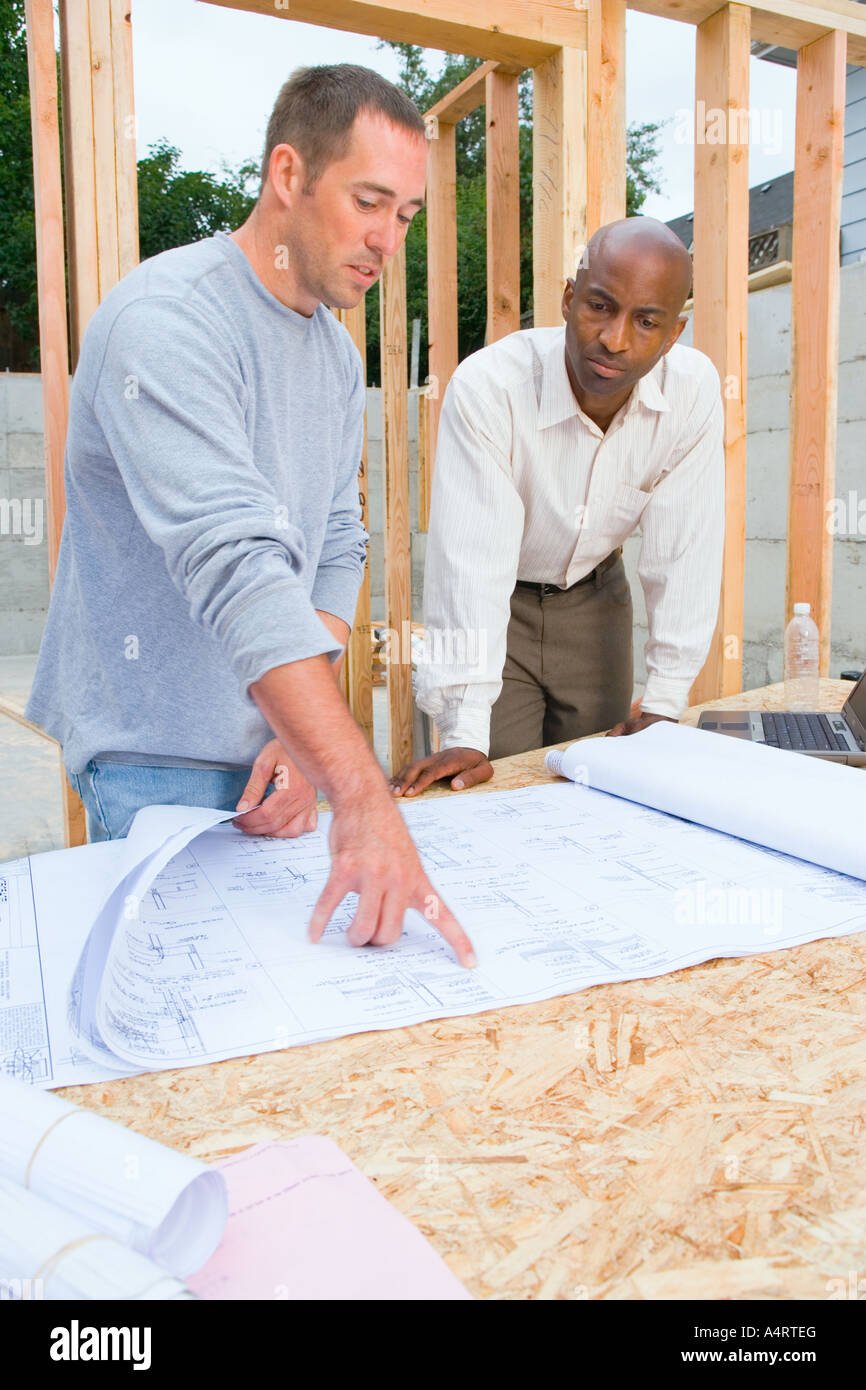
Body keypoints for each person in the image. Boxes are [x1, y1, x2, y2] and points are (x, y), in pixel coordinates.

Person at [26, 64, 474, 967]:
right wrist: (360, 789)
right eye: (369, 202)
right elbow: (236, 566)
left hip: (278, 748)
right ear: (287, 175)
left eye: (406, 216)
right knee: (171, 1021)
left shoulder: (335, 356)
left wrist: (297, 740)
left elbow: (335, 541)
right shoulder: (169, 322)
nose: (388, 239)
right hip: (154, 756)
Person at [391, 216, 725, 799]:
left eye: (647, 321)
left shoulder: (692, 392)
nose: (615, 339)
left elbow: (686, 550)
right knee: (487, 791)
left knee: (604, 790)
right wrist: (464, 726)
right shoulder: (490, 388)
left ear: (675, 334)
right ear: (569, 299)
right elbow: (471, 563)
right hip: (501, 610)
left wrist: (666, 701)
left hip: (595, 604)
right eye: (600, 305)